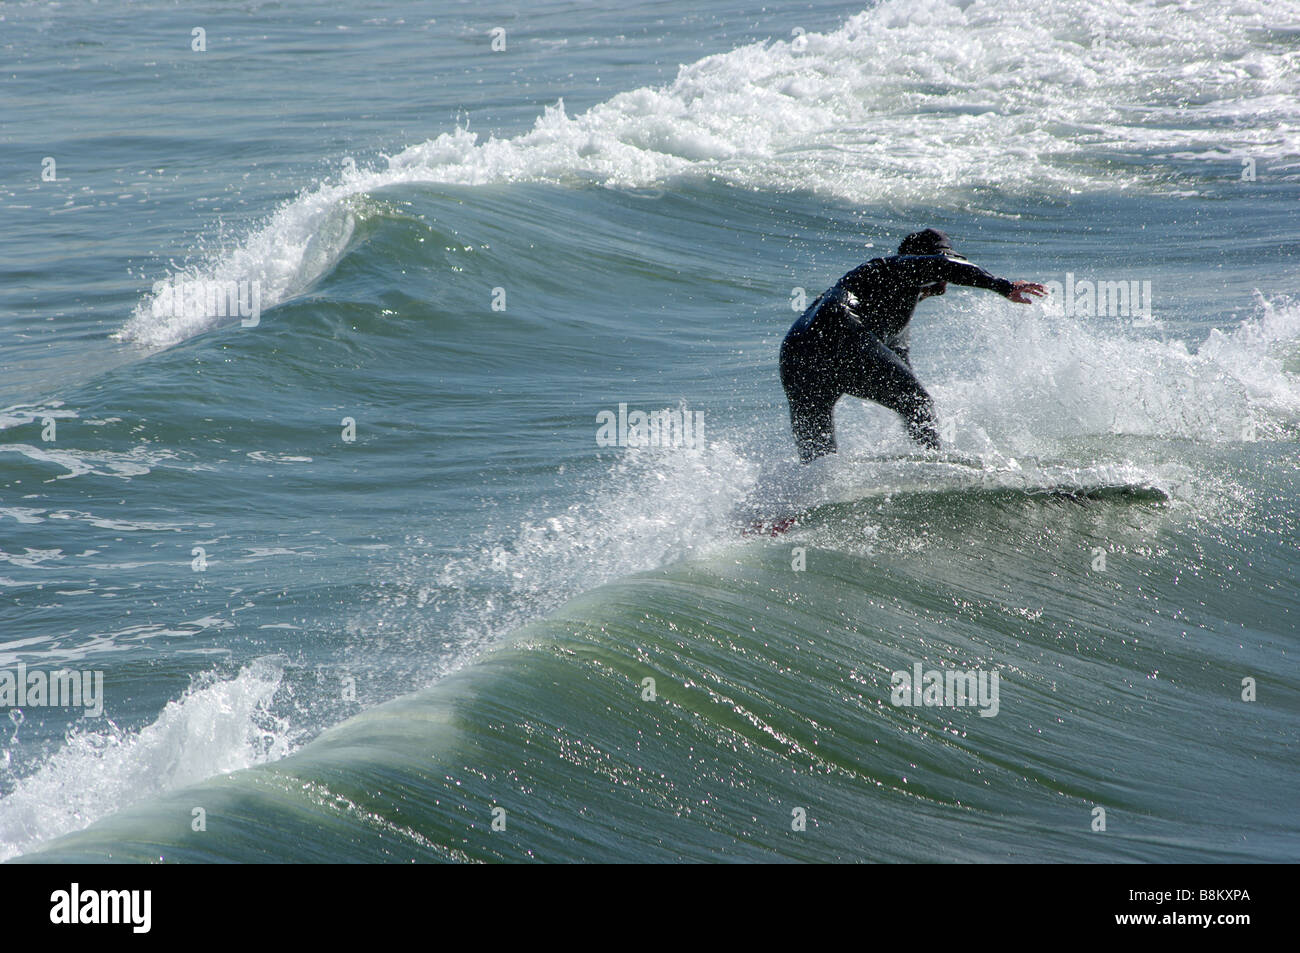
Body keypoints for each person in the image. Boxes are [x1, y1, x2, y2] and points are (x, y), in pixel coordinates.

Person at [779, 228, 1046, 462]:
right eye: (940, 267)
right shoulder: (890, 267)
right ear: (921, 260)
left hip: (796, 354)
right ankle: (936, 472)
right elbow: (943, 266)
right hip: (838, 333)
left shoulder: (887, 304)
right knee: (917, 402)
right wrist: (1003, 286)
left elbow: (899, 368)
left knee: (818, 460)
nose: (944, 284)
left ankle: (794, 507)